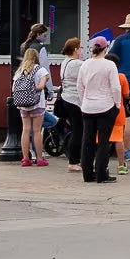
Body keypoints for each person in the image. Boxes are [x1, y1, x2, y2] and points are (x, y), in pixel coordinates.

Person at [77, 35, 122, 184]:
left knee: (87, 141)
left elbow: (80, 86)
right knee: (103, 142)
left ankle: (87, 174)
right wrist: (117, 104)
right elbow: (116, 87)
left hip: (88, 106)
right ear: (106, 48)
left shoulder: (85, 65)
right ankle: (102, 174)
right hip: (105, 106)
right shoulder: (110, 65)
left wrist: (84, 100)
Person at [12, 48, 50, 167]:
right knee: (37, 131)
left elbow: (14, 89)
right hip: (37, 104)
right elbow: (41, 86)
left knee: (26, 129)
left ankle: (25, 159)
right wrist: (34, 88)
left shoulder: (19, 72)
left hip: (23, 104)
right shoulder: (41, 70)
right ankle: (39, 159)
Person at [55, 37, 84, 172]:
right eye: (80, 48)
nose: (82, 50)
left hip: (66, 98)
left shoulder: (65, 62)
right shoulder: (76, 64)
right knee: (78, 131)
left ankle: (75, 159)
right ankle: (74, 161)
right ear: (75, 50)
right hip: (75, 100)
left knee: (75, 130)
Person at [105, 52, 130, 175]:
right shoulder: (121, 77)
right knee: (118, 139)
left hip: (103, 110)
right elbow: (126, 95)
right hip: (118, 111)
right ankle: (121, 165)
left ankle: (102, 164)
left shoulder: (102, 77)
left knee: (102, 139)